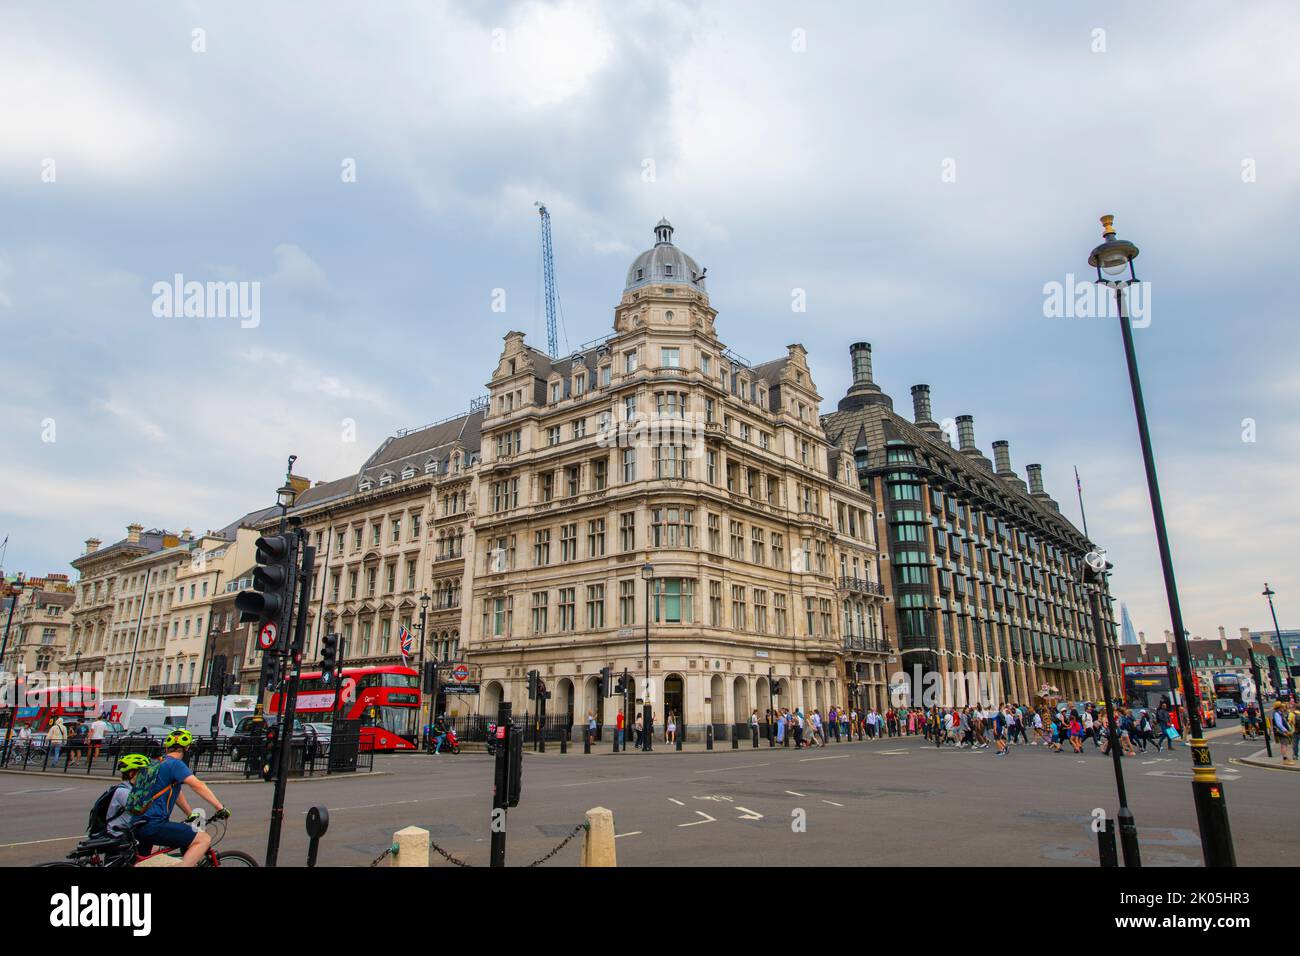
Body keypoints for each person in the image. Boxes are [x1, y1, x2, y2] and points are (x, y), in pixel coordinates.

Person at [129, 730, 229, 867]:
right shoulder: (175, 764)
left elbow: (177, 793)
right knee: (203, 839)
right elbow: (197, 785)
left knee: (143, 862)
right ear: (187, 748)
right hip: (154, 824)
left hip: (137, 824)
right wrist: (220, 807)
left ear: (166, 748)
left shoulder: (156, 764)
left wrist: (190, 814)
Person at [93, 754, 151, 840]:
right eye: (144, 773)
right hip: (118, 834)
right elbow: (139, 810)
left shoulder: (133, 789)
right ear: (132, 773)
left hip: (129, 831)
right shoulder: (123, 791)